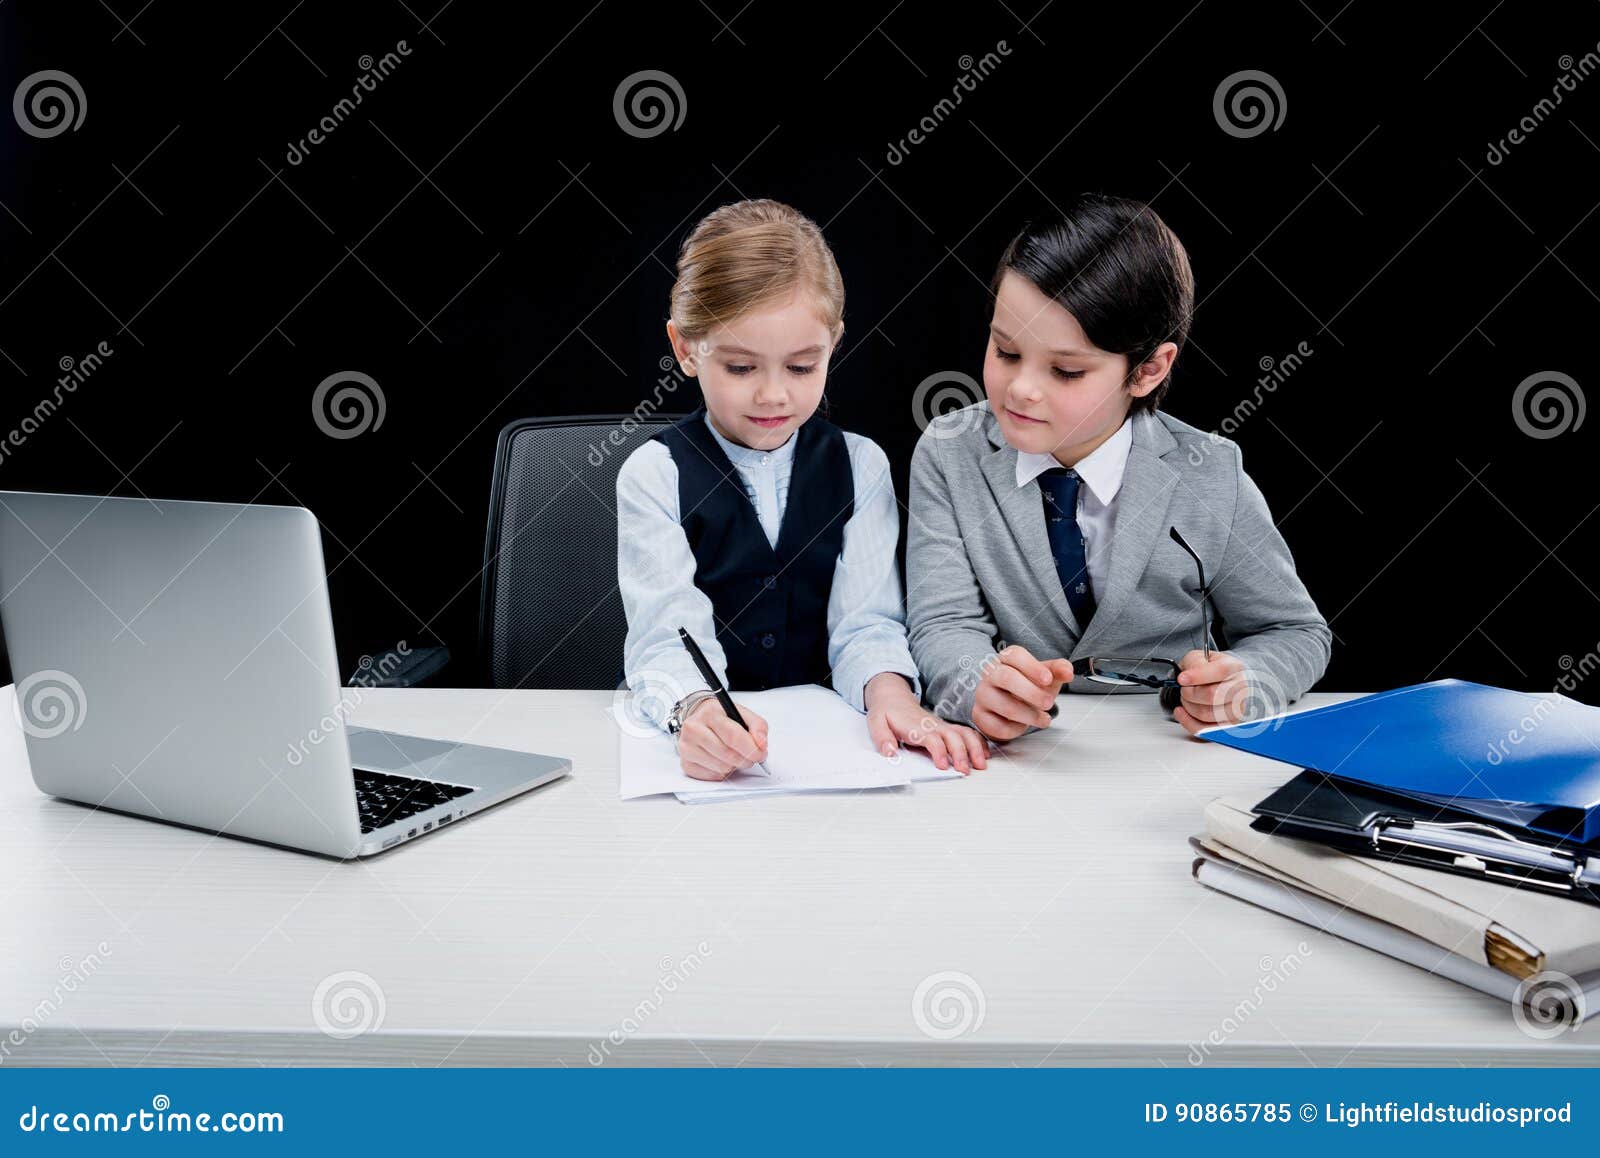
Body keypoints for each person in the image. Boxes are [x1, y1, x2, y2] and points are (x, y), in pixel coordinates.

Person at [907, 193, 1331, 740]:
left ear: (1148, 370)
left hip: (1168, 747)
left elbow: (1294, 631)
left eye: (1066, 371)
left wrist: (1249, 681)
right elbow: (944, 623)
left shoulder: (1211, 474)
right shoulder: (949, 451)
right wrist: (975, 685)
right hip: (1020, 759)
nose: (1021, 388)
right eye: (1006, 352)